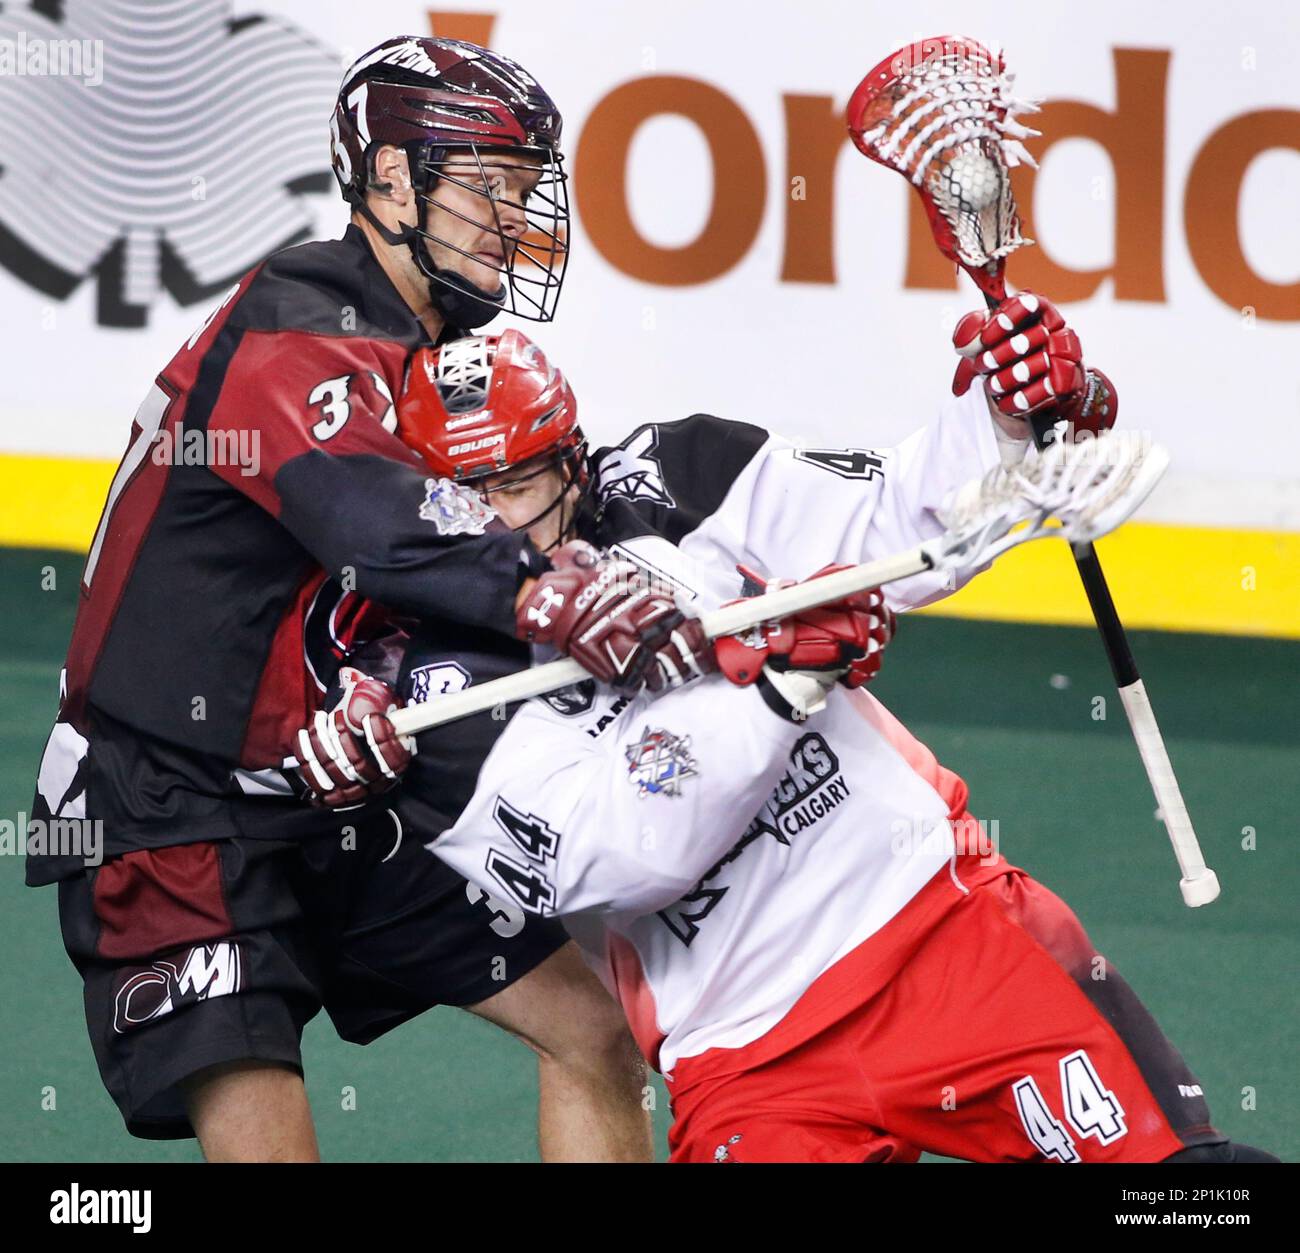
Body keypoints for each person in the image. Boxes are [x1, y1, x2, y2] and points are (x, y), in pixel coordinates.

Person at [305, 311, 1275, 1163]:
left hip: (939, 926)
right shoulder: (426, 691)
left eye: (518, 484)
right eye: (464, 498)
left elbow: (892, 521)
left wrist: (1004, 419)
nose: (500, 524)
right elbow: (621, 856)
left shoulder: (673, 473)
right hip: (745, 1052)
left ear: (572, 456)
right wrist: (777, 681)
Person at [28, 35, 706, 1161]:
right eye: (489, 188)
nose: (514, 219)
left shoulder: (410, 343)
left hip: (333, 776)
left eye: (523, 191)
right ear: (391, 178)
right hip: (170, 808)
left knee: (593, 1034)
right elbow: (382, 528)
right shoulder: (300, 325)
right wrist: (556, 598)